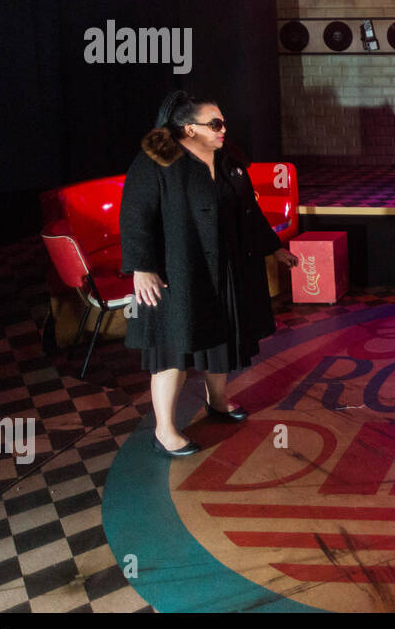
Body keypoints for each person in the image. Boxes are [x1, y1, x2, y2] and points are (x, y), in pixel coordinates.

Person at [121, 91, 298, 457]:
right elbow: (136, 216)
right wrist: (142, 267)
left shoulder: (228, 159)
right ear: (188, 129)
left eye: (223, 122)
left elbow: (248, 210)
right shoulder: (157, 163)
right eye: (215, 124)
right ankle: (165, 430)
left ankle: (217, 400)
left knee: (222, 339)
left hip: (226, 267)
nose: (223, 129)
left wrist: (273, 247)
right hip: (179, 273)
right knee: (174, 351)